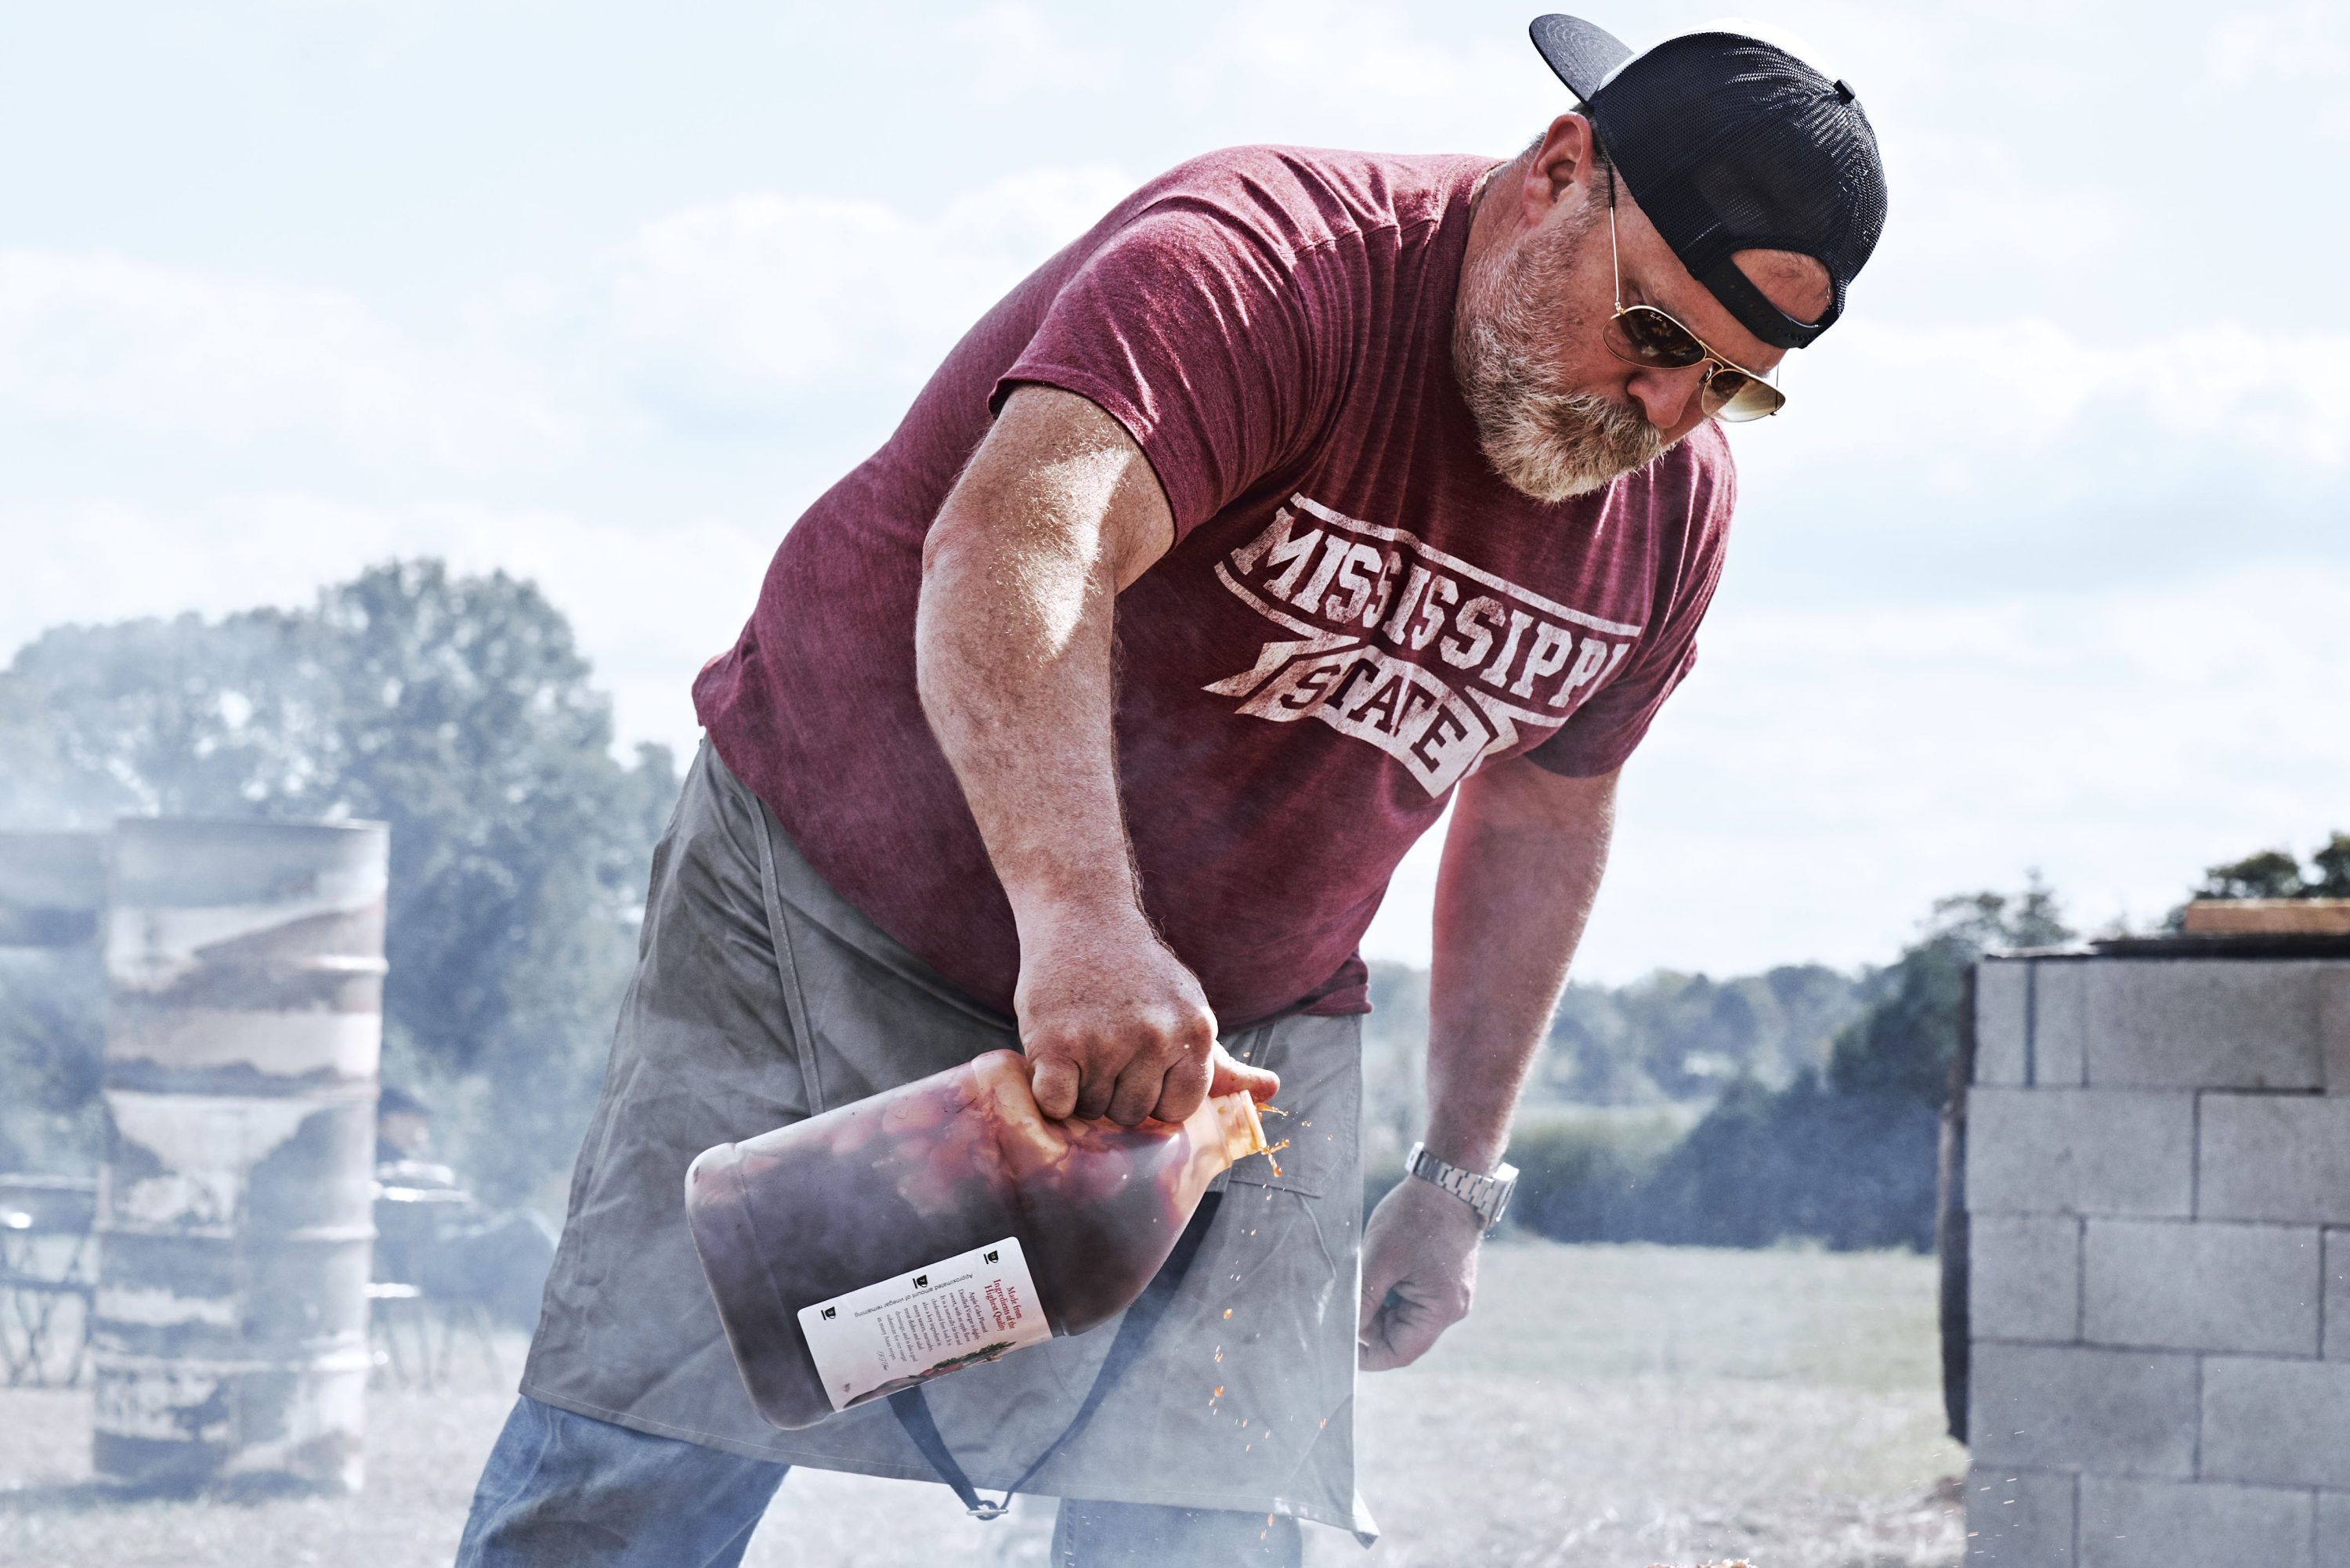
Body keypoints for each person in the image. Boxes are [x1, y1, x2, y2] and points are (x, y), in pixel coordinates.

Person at [454, 13, 1886, 1566]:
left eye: (1737, 387)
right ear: (1560, 174)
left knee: (1205, 1522)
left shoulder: (1664, 517)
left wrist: (1458, 1175)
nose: (1668, 415)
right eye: (1659, 338)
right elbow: (1019, 541)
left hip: (1234, 1038)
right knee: (648, 1453)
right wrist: (1077, 927)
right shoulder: (1267, 265)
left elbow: (1547, 801)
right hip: (842, 909)